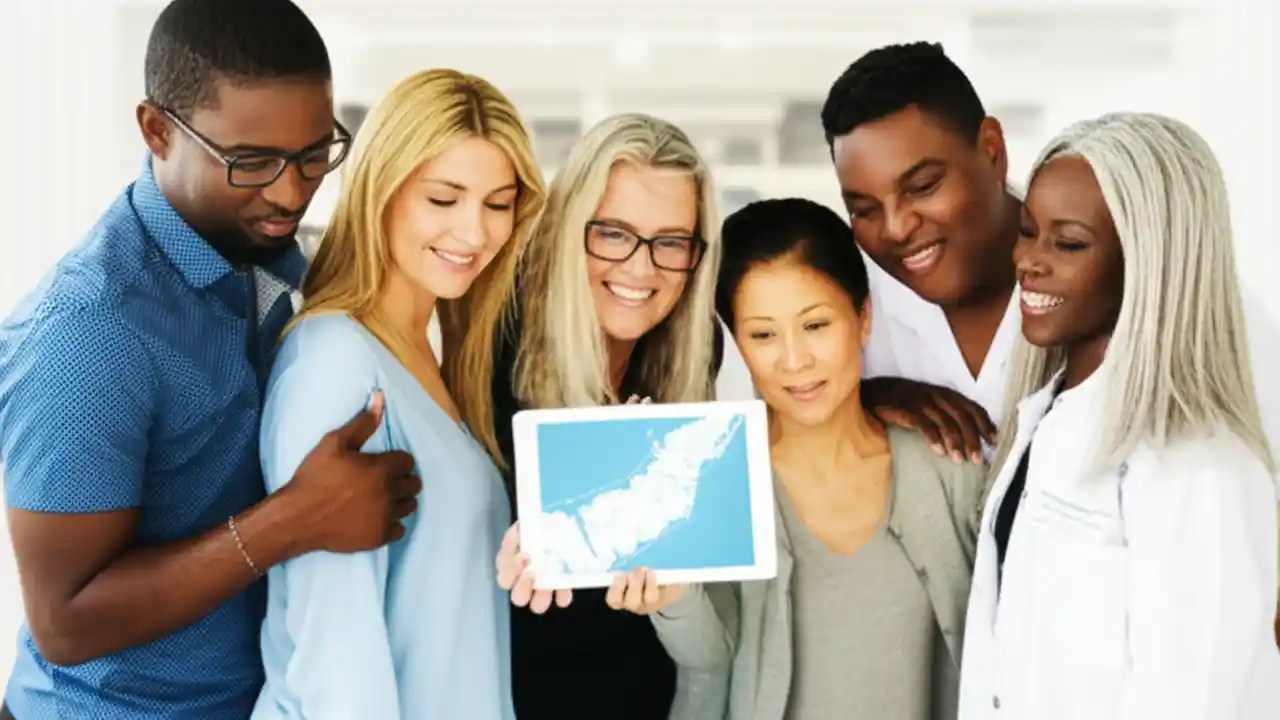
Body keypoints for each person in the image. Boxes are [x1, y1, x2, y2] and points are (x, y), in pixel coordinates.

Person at [0, 2, 418, 718]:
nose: (291, 192)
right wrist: (294, 520)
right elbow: (64, 621)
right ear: (157, 130)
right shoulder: (88, 331)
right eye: (250, 162)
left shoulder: (276, 256)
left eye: (315, 154)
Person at [822, 40, 1280, 643]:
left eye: (923, 186)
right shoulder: (849, 318)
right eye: (865, 209)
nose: (898, 228)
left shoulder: (1173, 300)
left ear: (990, 149)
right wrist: (861, 400)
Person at [603, 198, 988, 720]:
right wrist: (673, 597)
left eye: (815, 326)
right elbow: (711, 661)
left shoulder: (950, 468)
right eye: (763, 335)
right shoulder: (716, 478)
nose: (793, 360)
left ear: (863, 316)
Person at [958, 112, 1280, 719]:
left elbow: (1195, 702)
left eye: (1069, 243)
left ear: (1153, 260)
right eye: (1028, 232)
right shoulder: (1043, 416)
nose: (1029, 261)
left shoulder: (1200, 462)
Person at [251, 68, 544, 720]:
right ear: (382, 190)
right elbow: (335, 655)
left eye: (498, 204)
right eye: (444, 199)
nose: (474, 232)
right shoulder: (335, 361)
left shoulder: (430, 359)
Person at [483, 112, 722, 719]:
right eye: (613, 233)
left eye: (671, 242)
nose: (641, 269)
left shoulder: (697, 351)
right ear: (568, 228)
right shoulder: (494, 345)